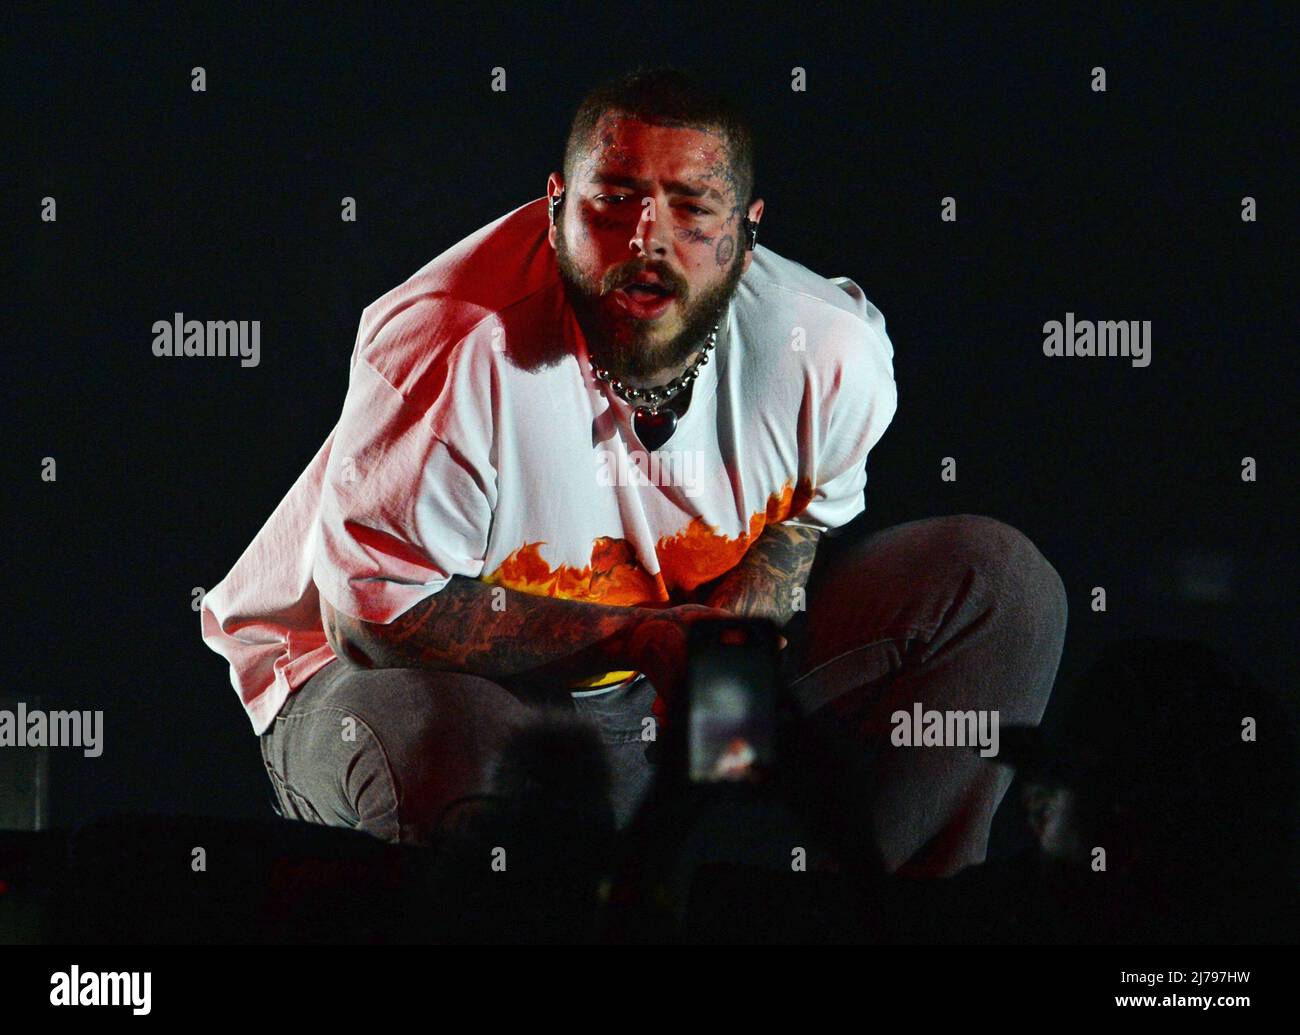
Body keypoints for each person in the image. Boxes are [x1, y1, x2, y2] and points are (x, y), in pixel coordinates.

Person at [201, 66, 1067, 877]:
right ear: (555, 209)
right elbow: (374, 618)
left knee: (999, 586)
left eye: (692, 207)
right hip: (378, 680)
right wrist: (639, 639)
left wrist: (726, 694)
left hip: (648, 693)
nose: (646, 241)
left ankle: (856, 920)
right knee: (483, 762)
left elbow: (800, 522)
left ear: (746, 231)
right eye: (614, 201)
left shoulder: (826, 349)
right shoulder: (452, 344)